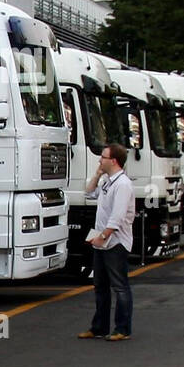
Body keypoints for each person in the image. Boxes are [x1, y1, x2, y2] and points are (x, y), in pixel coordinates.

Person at [79, 143, 135, 341]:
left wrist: (102, 237)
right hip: (101, 240)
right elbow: (88, 193)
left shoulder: (123, 184)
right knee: (100, 286)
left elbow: (117, 217)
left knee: (119, 286)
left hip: (115, 242)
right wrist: (96, 175)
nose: (99, 160)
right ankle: (99, 327)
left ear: (113, 160)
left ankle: (123, 328)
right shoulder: (106, 181)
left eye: (102, 157)